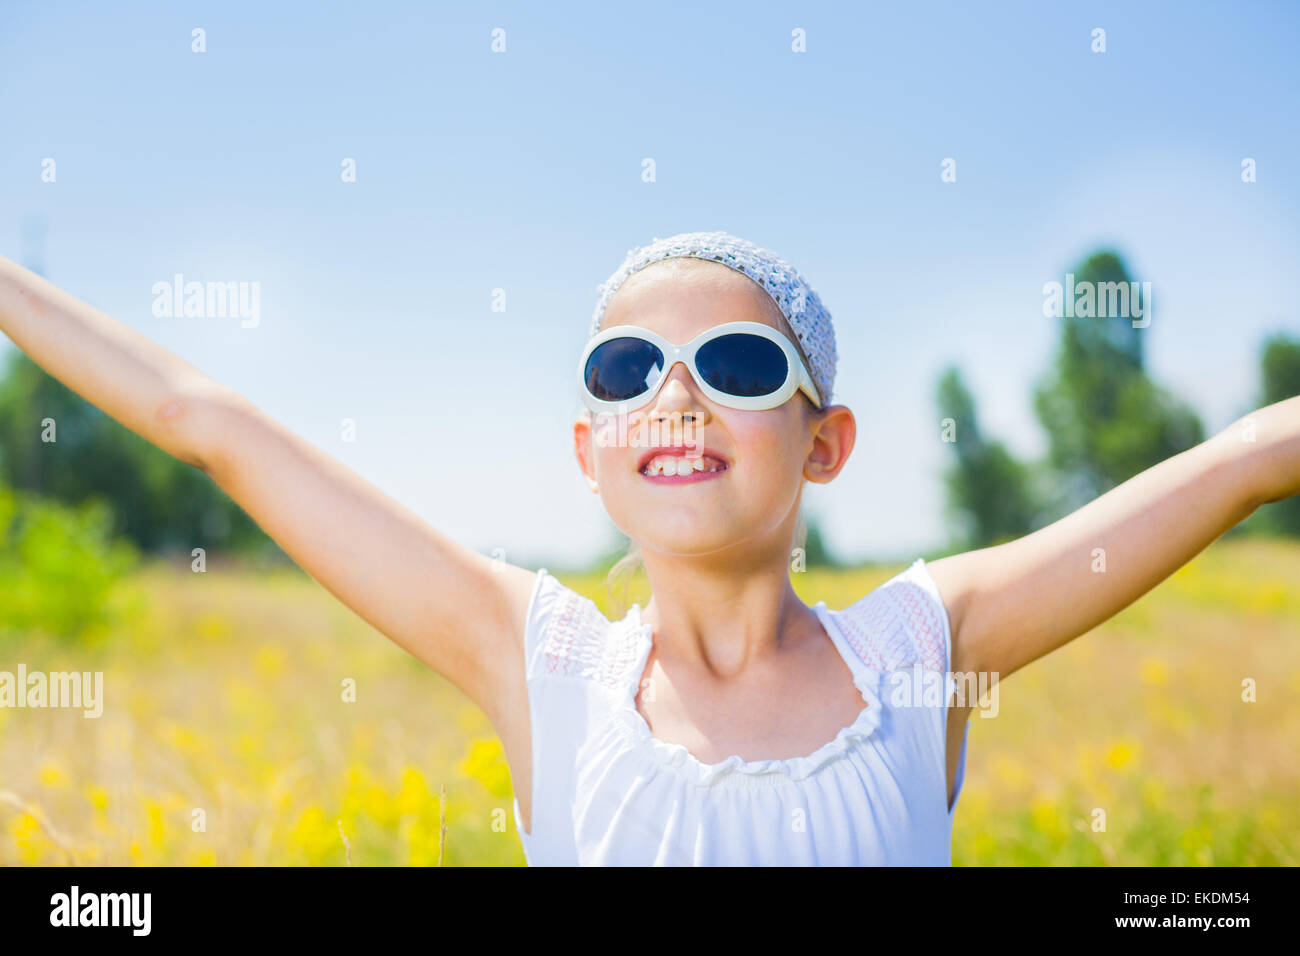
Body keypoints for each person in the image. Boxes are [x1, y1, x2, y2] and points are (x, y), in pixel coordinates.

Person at [0, 230, 1296, 865]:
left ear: (825, 442)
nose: (672, 395)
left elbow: (1245, 463)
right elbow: (205, 423)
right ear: (590, 451)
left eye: (733, 364)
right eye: (627, 369)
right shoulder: (539, 662)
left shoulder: (922, 645)